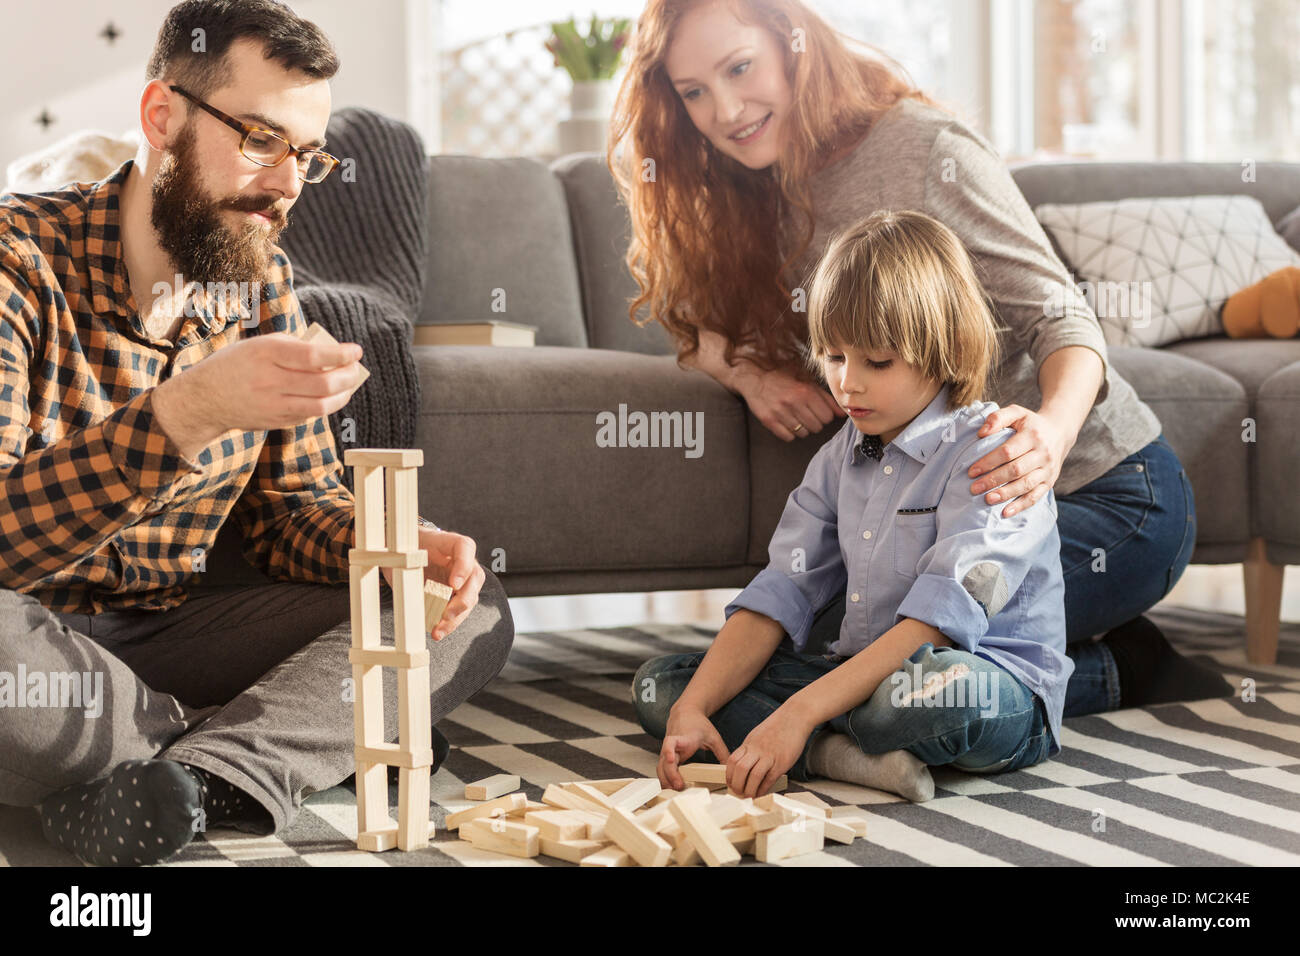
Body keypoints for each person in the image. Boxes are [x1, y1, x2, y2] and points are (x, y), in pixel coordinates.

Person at [609, 0, 1230, 718]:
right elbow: (690, 324)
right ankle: (1061, 657)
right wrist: (752, 377)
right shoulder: (740, 192)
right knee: (802, 653)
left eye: (740, 68)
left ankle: (1124, 668)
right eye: (693, 92)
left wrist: (1051, 436)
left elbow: (1061, 316)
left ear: (792, 45)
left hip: (1107, 497)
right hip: (937, 524)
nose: (724, 109)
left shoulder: (921, 149)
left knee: (873, 653)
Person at [0, 0, 513, 866]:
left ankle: (193, 779)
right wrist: (189, 410)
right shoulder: (17, 266)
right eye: (261, 140)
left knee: (466, 609)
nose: (287, 185)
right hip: (28, 636)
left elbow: (291, 513)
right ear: (161, 117)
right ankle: (265, 747)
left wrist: (389, 544)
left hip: (174, 634)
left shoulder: (261, 282)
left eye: (306, 156)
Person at [636, 209, 1072, 801]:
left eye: (877, 362)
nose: (847, 383)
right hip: (861, 674)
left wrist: (798, 711)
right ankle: (841, 755)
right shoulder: (840, 454)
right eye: (834, 356)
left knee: (939, 692)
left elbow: (939, 627)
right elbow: (781, 592)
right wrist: (693, 707)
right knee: (663, 688)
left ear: (943, 348)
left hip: (984, 685)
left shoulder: (995, 455)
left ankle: (814, 736)